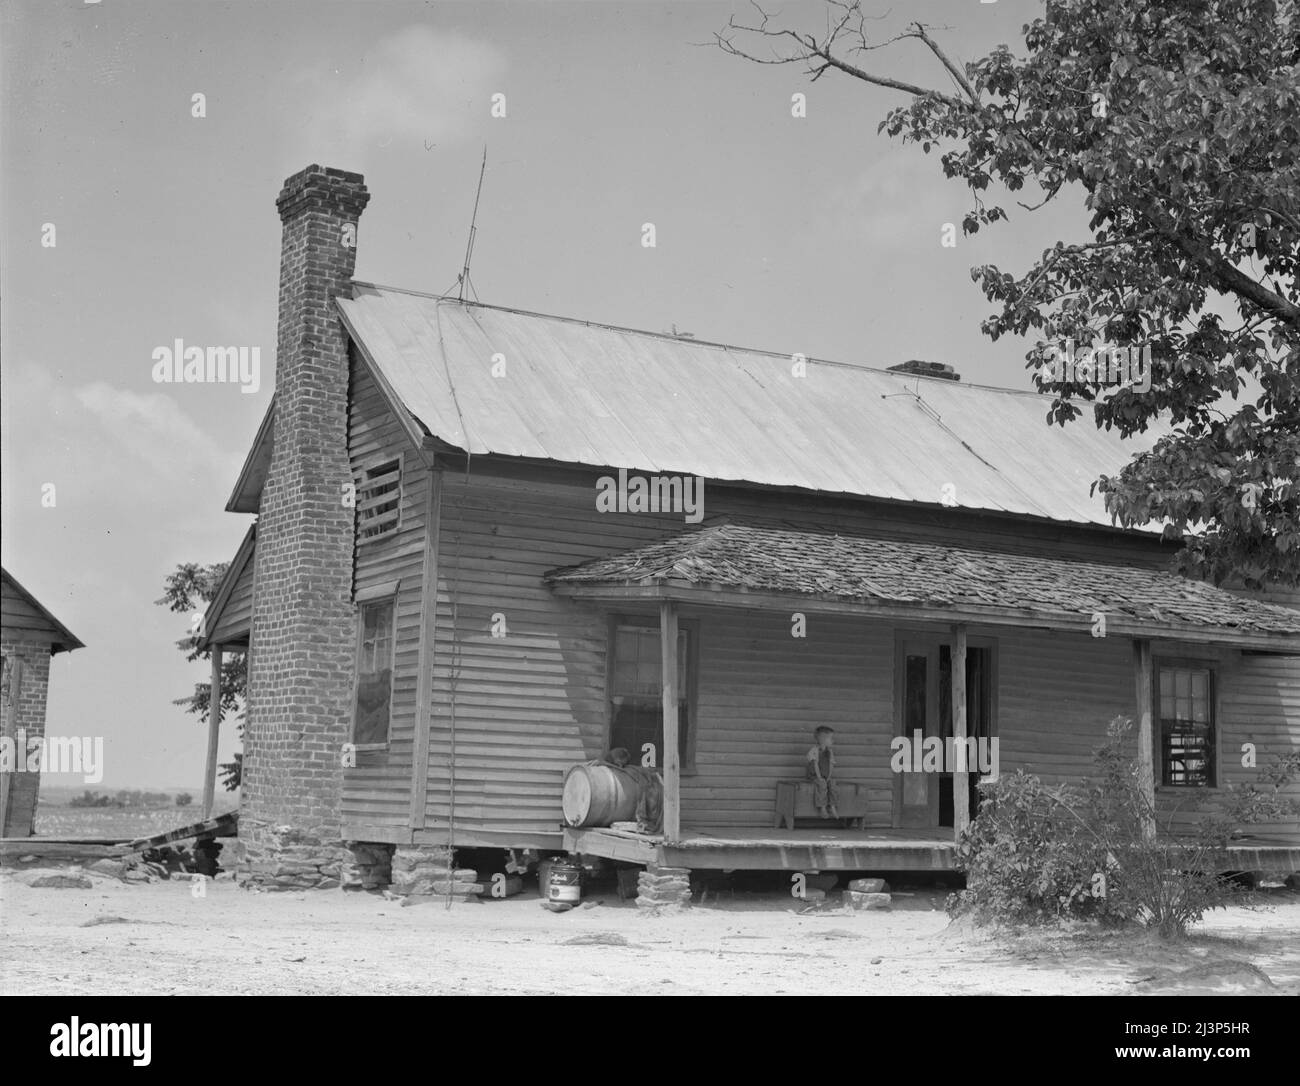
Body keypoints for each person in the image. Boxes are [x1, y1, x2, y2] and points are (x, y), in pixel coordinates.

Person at [805, 726, 839, 819]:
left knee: (832, 783)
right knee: (822, 784)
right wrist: (819, 777)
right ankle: (822, 807)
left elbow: (831, 764)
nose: (833, 741)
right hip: (814, 775)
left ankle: (832, 806)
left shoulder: (829, 752)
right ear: (823, 740)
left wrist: (829, 777)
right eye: (831, 738)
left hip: (825, 776)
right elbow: (815, 764)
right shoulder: (814, 750)